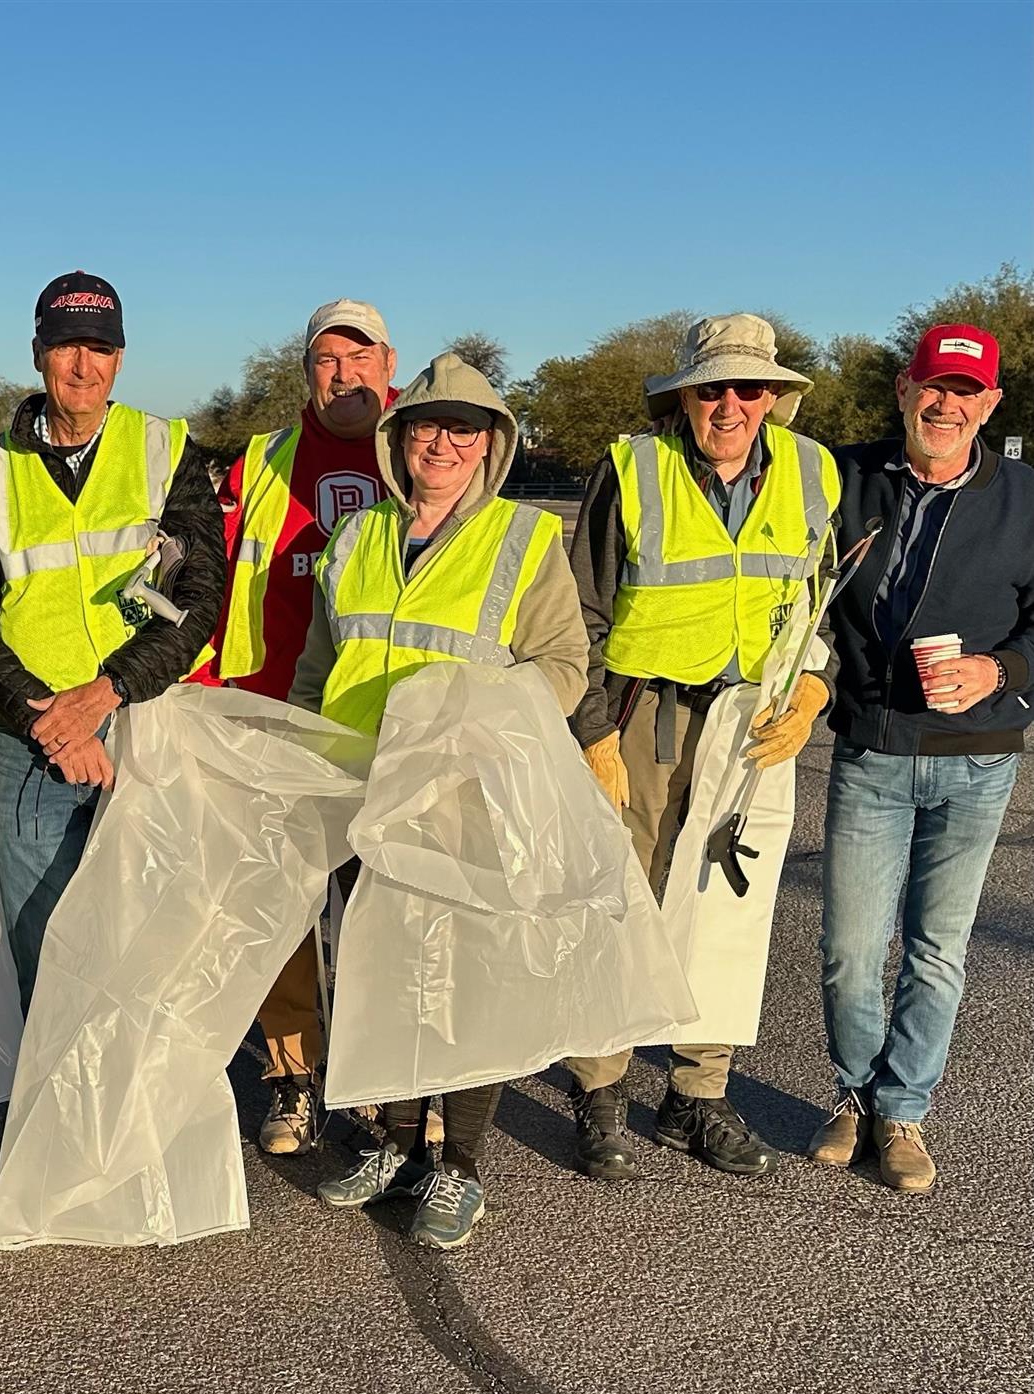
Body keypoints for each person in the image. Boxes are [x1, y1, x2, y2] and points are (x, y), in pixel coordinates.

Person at [287, 351, 587, 1248]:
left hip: (465, 799)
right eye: (427, 426)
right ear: (398, 439)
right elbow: (317, 667)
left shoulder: (527, 540)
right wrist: (307, 765)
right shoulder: (354, 538)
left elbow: (566, 670)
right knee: (382, 971)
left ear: (492, 445)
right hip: (362, 793)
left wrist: (467, 722)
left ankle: (459, 1167)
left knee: (466, 981)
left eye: (465, 428)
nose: (443, 443)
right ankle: (395, 1139)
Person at [566, 314, 840, 1180]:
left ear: (774, 398)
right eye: (711, 387)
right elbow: (584, 610)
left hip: (751, 722)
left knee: (730, 900)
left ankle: (697, 1094)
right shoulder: (632, 470)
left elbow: (816, 597)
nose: (729, 404)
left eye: (747, 387)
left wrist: (812, 686)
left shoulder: (812, 471)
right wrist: (593, 730)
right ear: (683, 396)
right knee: (619, 897)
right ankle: (600, 1087)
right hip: (645, 716)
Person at [0, 271, 225, 1006]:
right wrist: (48, 718)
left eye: (100, 347)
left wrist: (106, 692)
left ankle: (140, 1117)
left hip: (143, 726)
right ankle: (60, 1117)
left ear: (120, 359)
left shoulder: (167, 449)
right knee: (49, 955)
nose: (83, 365)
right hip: (29, 742)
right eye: (67, 347)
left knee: (152, 947)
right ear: (38, 353)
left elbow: (199, 596)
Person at [813, 324, 1031, 1193]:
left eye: (965, 393)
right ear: (904, 389)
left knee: (938, 949)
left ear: (991, 405)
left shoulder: (1024, 498)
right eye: (932, 387)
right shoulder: (843, 477)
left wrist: (997, 670)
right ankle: (855, 1095)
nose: (946, 404)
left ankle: (903, 1110)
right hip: (871, 750)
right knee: (850, 948)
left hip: (977, 759)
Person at [200, 298, 399, 1156]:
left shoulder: (423, 453)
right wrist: (201, 695)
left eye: (361, 357)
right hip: (271, 716)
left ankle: (372, 1074)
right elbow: (211, 582)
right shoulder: (260, 463)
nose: (344, 373)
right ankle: (291, 1075)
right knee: (279, 908)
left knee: (378, 908)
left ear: (389, 366)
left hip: (377, 724)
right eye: (327, 358)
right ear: (307, 372)